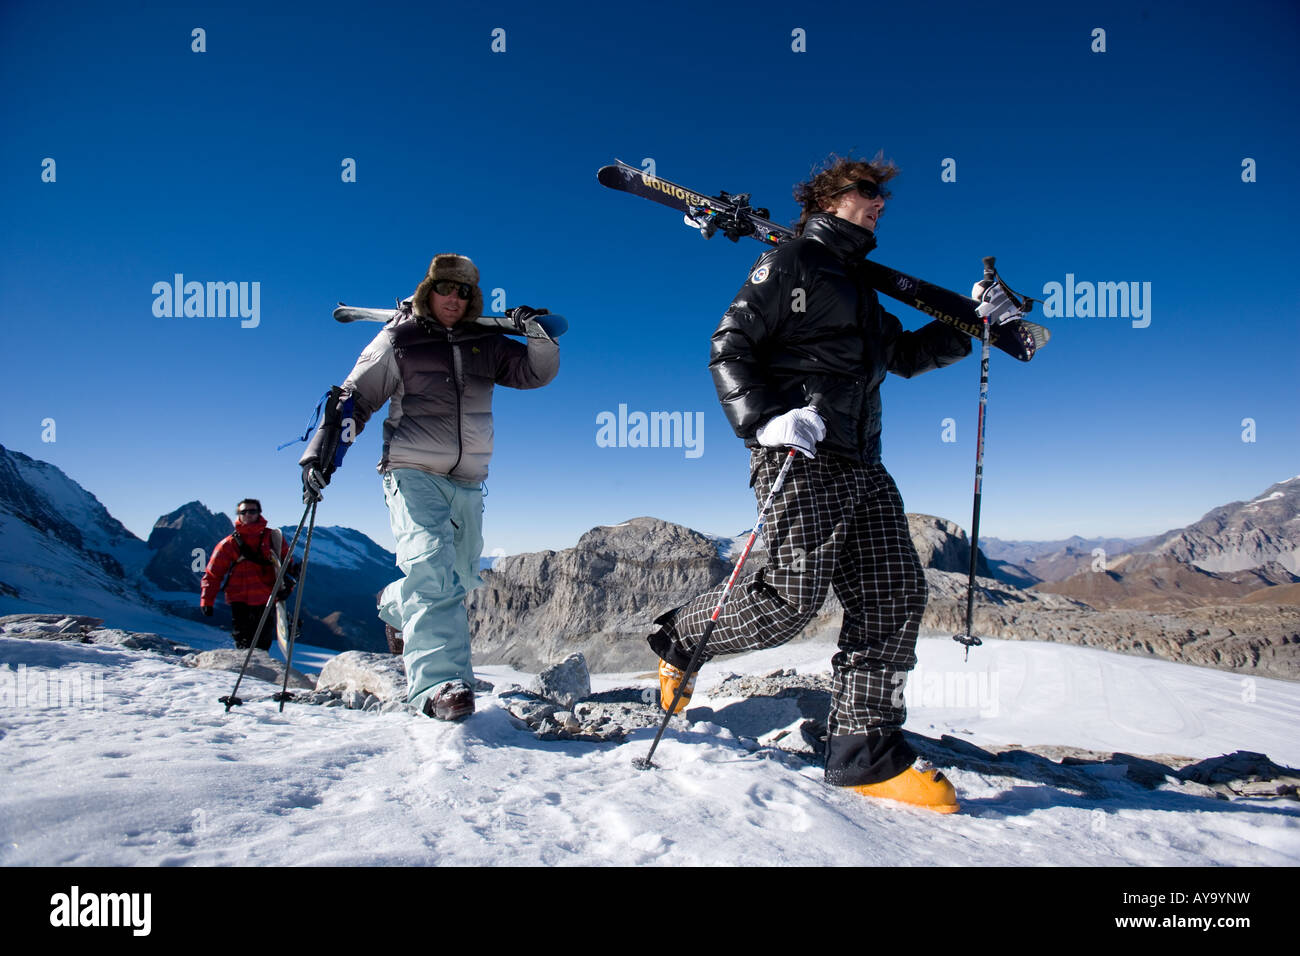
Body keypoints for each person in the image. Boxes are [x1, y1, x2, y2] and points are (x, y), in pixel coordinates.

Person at [648, 154, 972, 813]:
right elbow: (728, 345)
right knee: (791, 600)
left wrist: (969, 323)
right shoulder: (790, 262)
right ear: (826, 200)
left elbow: (904, 356)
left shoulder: (862, 287)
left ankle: (864, 754)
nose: (880, 201)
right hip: (799, 452)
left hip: (863, 461)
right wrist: (765, 422)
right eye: (866, 191)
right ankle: (681, 638)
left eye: (883, 195)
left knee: (895, 594)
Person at [299, 254, 559, 720]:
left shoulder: (488, 342)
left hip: (468, 479)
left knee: (457, 577)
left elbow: (535, 374)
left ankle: (397, 601)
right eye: (445, 288)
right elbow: (355, 397)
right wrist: (323, 451)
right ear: (428, 290)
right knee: (435, 571)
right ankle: (441, 684)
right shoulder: (399, 339)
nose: (454, 299)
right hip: (410, 470)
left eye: (464, 292)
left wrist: (537, 335)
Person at [200, 499, 291, 650]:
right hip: (239, 600)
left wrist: (287, 588)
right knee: (243, 641)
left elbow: (287, 566)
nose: (248, 515)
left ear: (258, 514)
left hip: (266, 598)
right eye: (244, 512)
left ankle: (255, 671)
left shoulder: (272, 539)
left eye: (252, 511)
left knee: (262, 642)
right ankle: (246, 669)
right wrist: (206, 601)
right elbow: (213, 574)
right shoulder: (229, 544)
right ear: (239, 515)